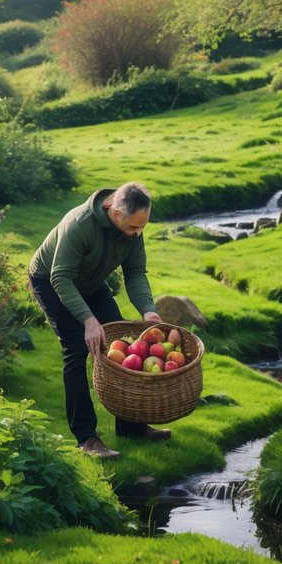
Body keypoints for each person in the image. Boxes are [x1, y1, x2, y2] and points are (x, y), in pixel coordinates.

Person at [28, 181, 171, 459]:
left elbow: (136, 272)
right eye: (133, 227)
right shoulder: (79, 224)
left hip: (90, 284)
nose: (138, 233)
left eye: (143, 226)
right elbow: (60, 277)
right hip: (52, 281)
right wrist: (88, 321)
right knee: (78, 348)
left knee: (122, 343)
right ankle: (87, 438)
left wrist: (148, 310)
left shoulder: (131, 229)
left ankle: (131, 427)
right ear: (116, 213)